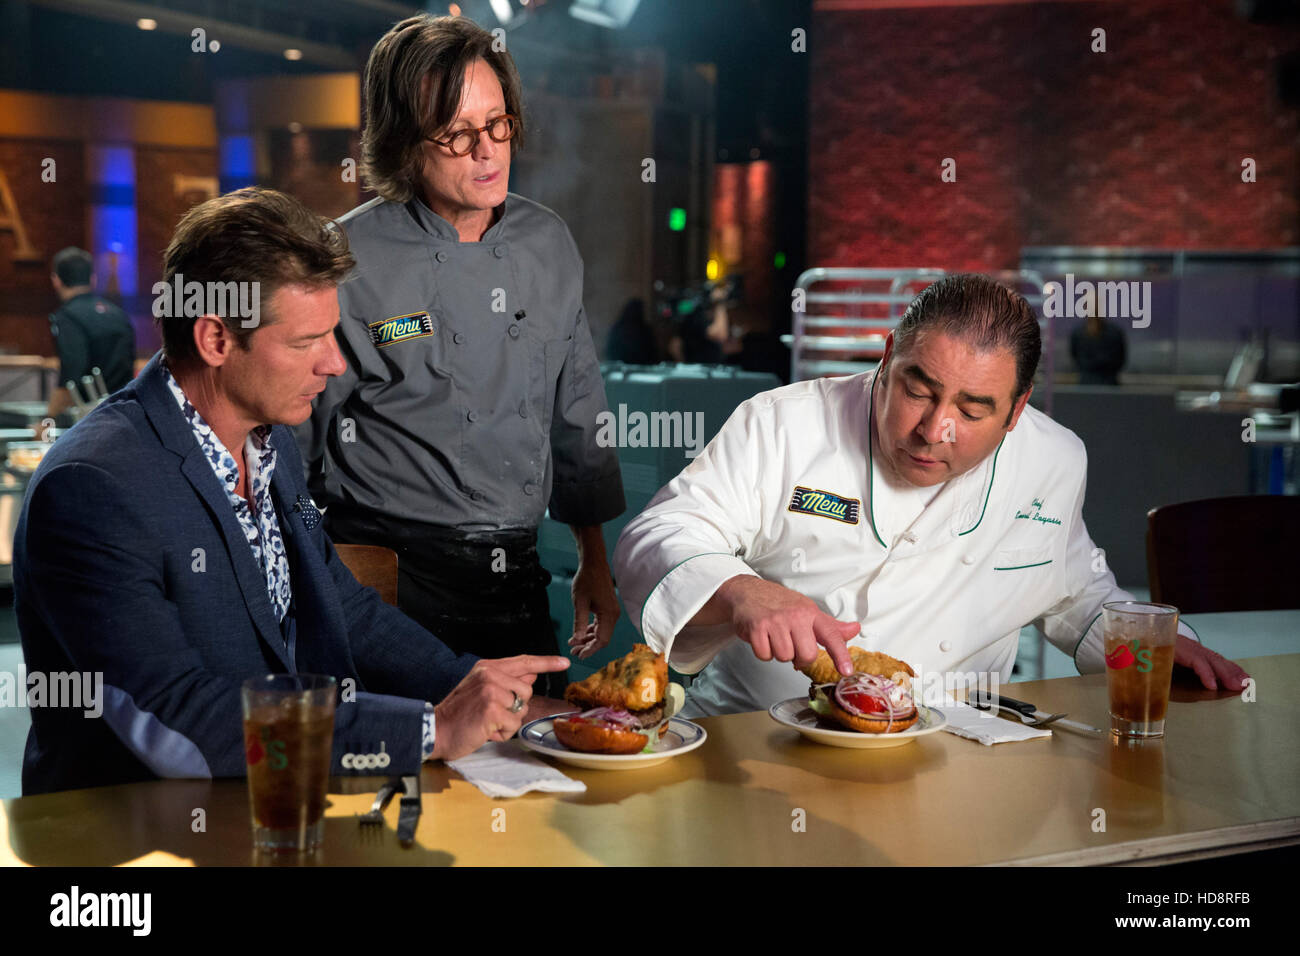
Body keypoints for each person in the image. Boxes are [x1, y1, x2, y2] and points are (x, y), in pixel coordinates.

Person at [14, 187, 569, 795]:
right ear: (216, 339)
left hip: (280, 809)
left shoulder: (266, 442)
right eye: (307, 342)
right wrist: (429, 730)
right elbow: (174, 721)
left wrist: (475, 687)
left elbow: (341, 607)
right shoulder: (91, 488)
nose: (335, 364)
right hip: (137, 845)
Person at [613, 273, 1250, 716]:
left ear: (1017, 410)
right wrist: (743, 589)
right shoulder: (782, 425)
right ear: (887, 358)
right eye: (919, 389)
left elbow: (1072, 593)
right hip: (761, 737)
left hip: (953, 746)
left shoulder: (1054, 460)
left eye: (973, 410)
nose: (933, 430)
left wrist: (1154, 647)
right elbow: (660, 533)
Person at [295, 15, 624, 698]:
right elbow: (290, 441)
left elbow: (578, 413)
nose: (487, 151)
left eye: (498, 124)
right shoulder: (347, 259)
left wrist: (596, 560)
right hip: (388, 583)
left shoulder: (548, 244)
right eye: (456, 133)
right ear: (402, 144)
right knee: (404, 784)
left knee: (525, 777)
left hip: (515, 580)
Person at [44, 246, 135, 419]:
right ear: (93, 279)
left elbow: (72, 372)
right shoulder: (118, 314)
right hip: (126, 411)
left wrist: (48, 419)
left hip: (91, 417)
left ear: (56, 280)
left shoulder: (67, 317)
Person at [1069, 311, 1126, 385]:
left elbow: (1120, 359)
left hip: (1109, 384)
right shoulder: (1077, 334)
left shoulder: (1115, 333)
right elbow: (1075, 357)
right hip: (1086, 384)